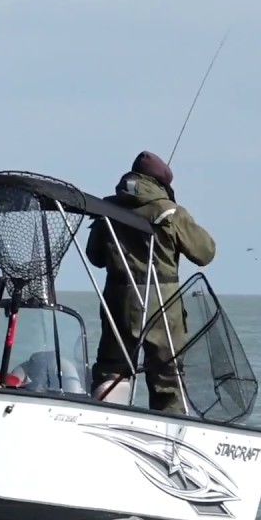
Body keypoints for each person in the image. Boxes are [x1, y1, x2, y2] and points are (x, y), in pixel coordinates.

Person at [84, 150, 216, 414]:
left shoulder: (107, 208)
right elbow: (205, 253)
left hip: (118, 300)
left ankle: (104, 424)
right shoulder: (170, 211)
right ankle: (168, 437)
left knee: (112, 369)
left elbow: (94, 257)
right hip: (162, 303)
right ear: (161, 183)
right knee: (167, 375)